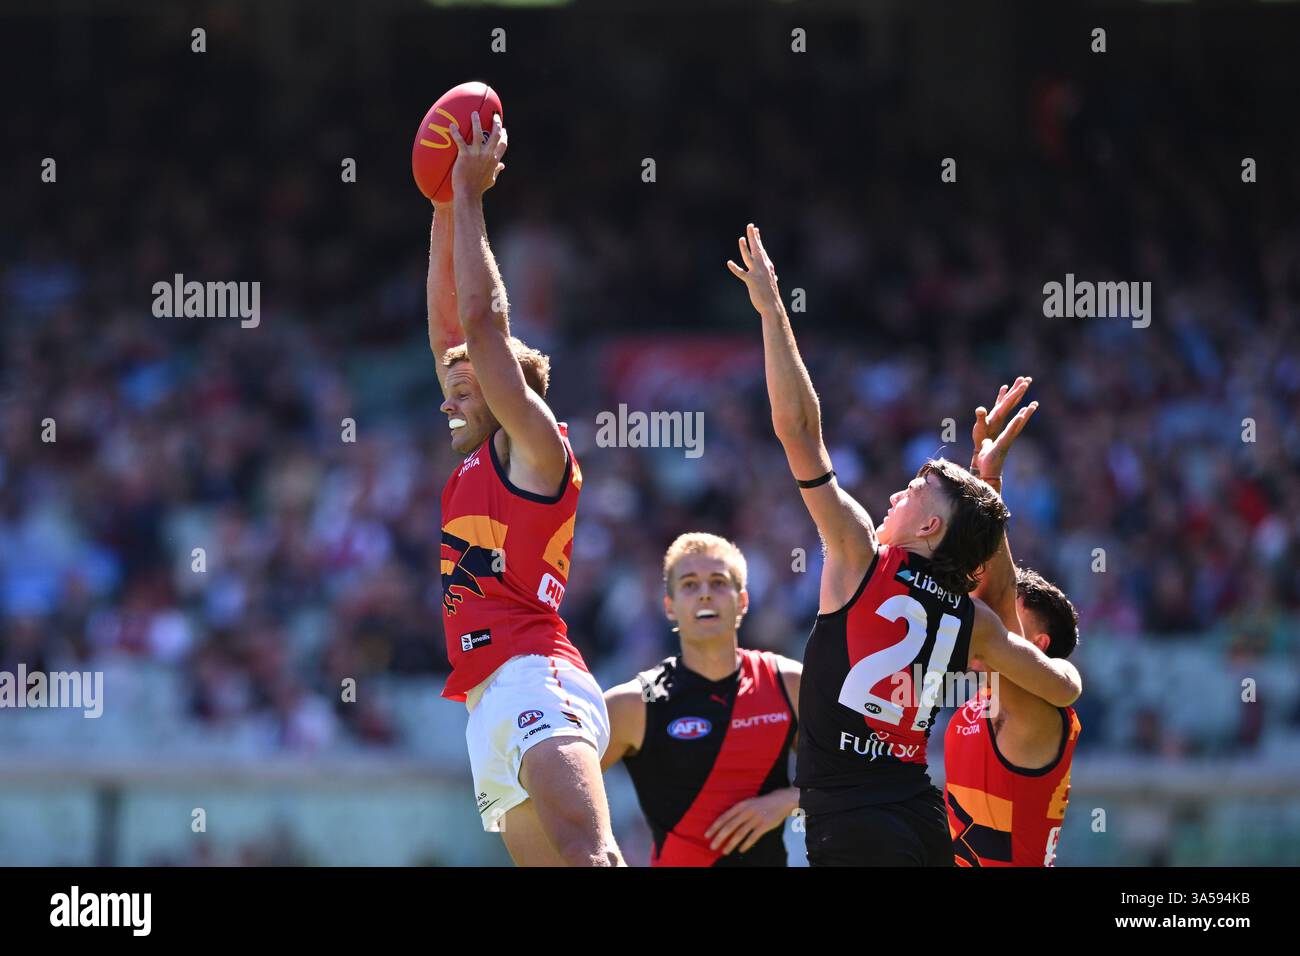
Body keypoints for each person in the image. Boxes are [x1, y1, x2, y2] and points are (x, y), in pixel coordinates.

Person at [727, 224, 1081, 866]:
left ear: (929, 529)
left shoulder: (860, 554)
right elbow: (1063, 687)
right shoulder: (970, 619)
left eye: (918, 488)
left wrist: (773, 310)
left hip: (853, 819)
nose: (901, 491)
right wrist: (1062, 670)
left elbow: (798, 430)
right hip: (918, 818)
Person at [427, 110, 622, 866]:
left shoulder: (534, 447)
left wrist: (473, 196)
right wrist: (444, 208)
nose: (446, 396)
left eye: (464, 386)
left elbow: (480, 321)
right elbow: (456, 327)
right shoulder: (476, 456)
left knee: (593, 857)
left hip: (537, 678)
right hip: (488, 698)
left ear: (510, 391)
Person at [602, 533, 801, 866]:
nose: (706, 593)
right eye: (690, 585)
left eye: (719, 582)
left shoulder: (787, 683)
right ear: (670, 607)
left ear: (743, 601)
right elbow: (561, 797)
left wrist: (790, 799)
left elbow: (853, 775)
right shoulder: (634, 703)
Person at [944, 385, 1082, 866]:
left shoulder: (1040, 711)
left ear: (1039, 643)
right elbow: (984, 585)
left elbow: (995, 602)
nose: (983, 602)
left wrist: (989, 481)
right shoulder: (979, 700)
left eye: (1011, 606)